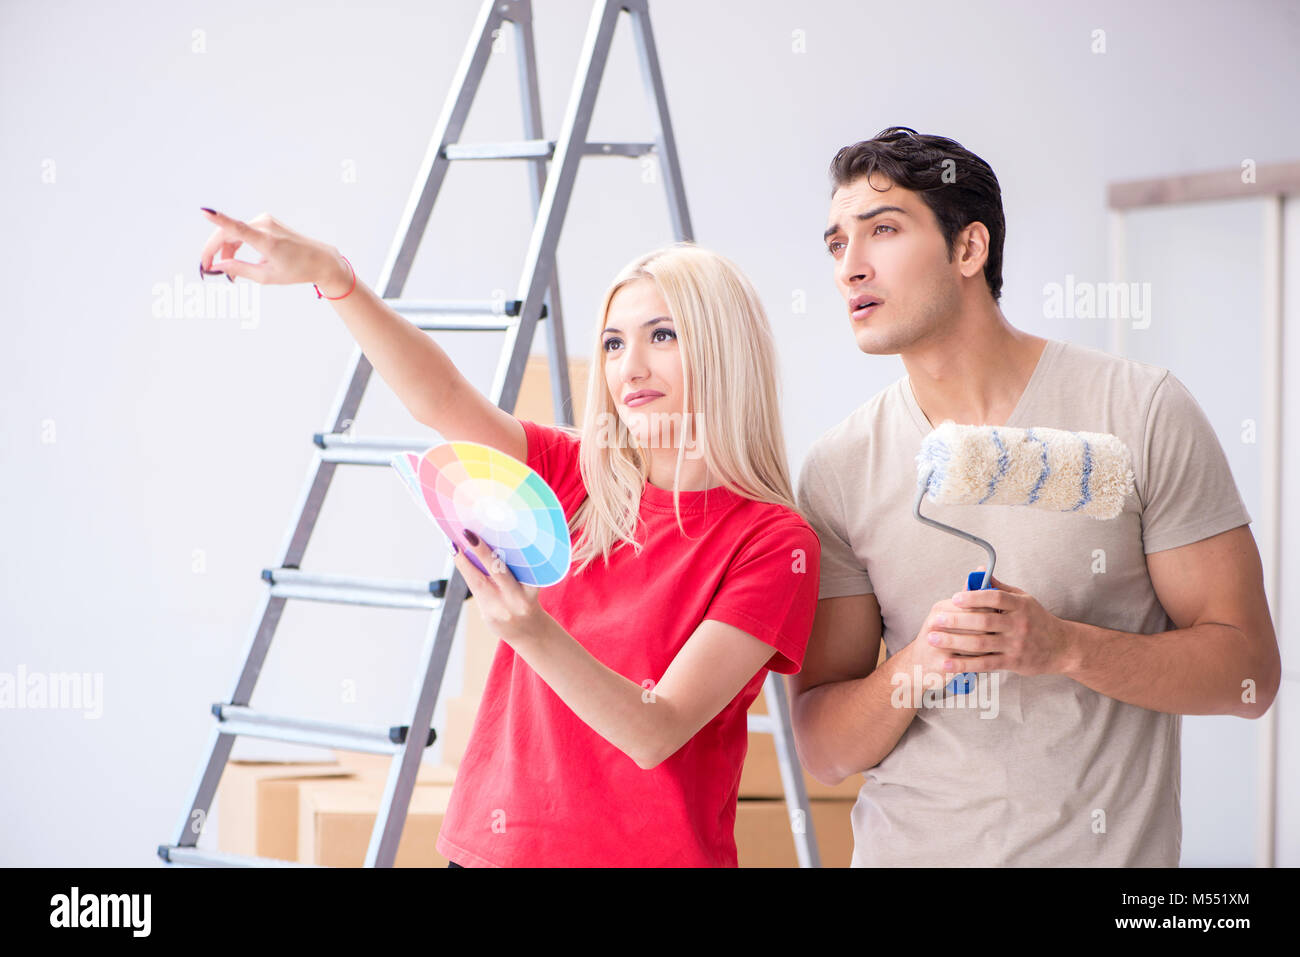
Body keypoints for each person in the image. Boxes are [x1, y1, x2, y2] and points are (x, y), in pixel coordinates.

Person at [196, 210, 820, 867]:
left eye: (661, 335)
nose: (629, 366)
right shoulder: (578, 477)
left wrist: (532, 633)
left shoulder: (774, 542)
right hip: (493, 851)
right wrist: (334, 278)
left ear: (725, 349)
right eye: (612, 343)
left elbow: (654, 729)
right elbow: (441, 398)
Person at [789, 128, 1281, 866]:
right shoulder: (838, 467)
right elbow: (824, 750)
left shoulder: (1140, 409)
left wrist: (1065, 647)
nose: (849, 268)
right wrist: (919, 662)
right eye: (835, 244)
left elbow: (1249, 676)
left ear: (968, 250)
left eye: (882, 231)